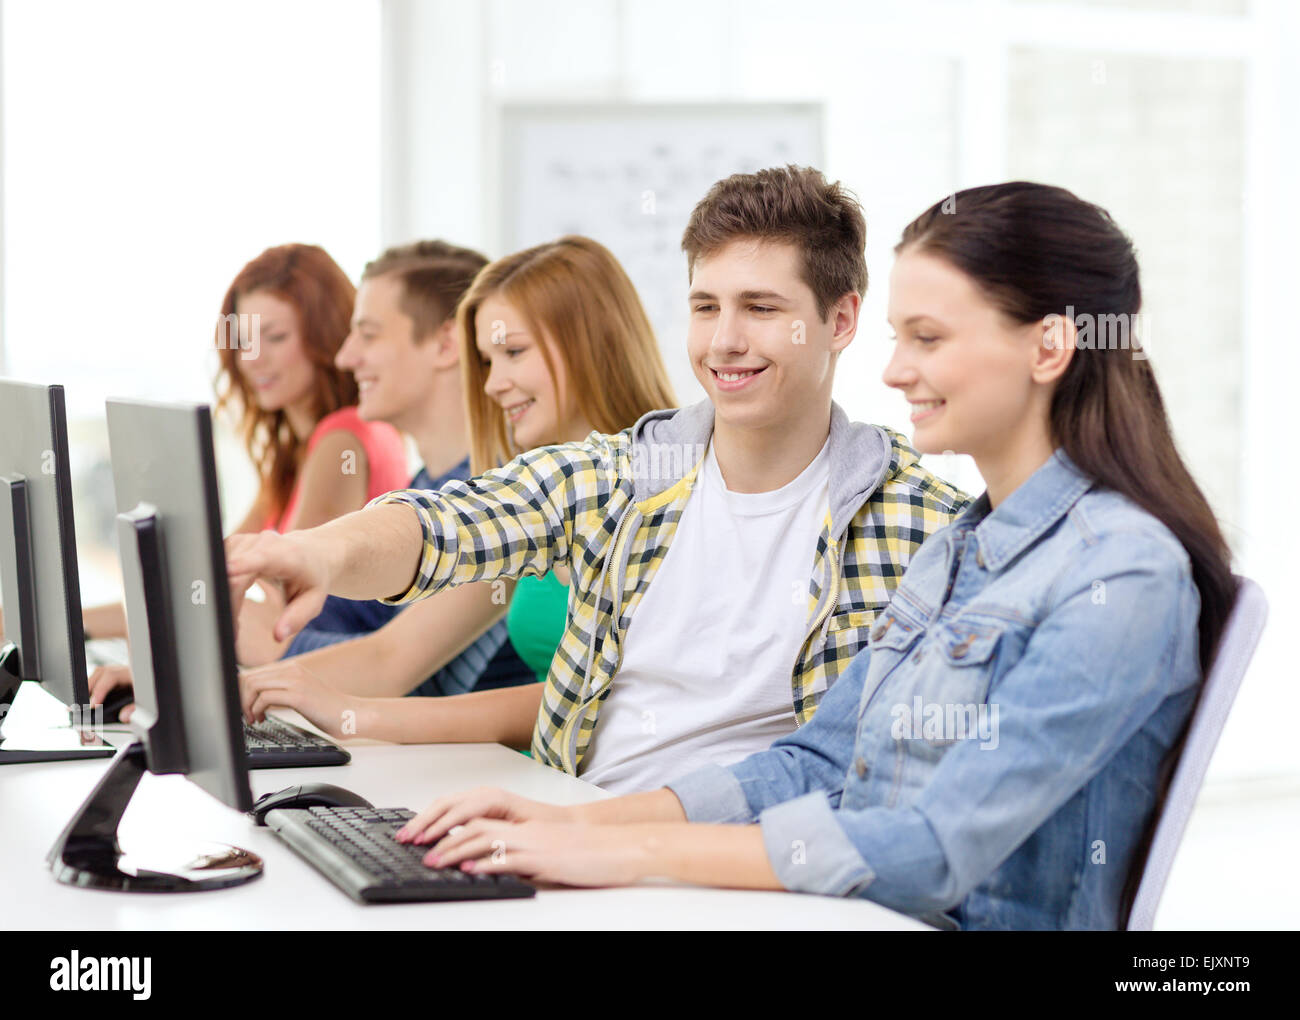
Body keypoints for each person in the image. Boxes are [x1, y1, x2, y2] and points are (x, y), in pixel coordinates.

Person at [389, 182, 1238, 932]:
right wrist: (581, 826)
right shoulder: (963, 548)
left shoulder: (1121, 574)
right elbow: (820, 761)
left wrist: (632, 851)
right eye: (899, 336)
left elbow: (933, 847)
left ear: (1048, 348)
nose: (897, 370)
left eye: (929, 339)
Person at [226, 166, 968, 793]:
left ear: (840, 322)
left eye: (761, 309)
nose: (724, 340)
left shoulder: (921, 523)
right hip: (569, 844)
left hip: (750, 877)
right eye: (706, 307)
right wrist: (318, 553)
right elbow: (448, 523)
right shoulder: (624, 477)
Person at [237, 236, 677, 722]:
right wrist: (316, 553)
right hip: (535, 774)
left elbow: (404, 667)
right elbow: (430, 535)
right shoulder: (534, 493)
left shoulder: (668, 489)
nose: (490, 383)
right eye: (487, 360)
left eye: (512, 352)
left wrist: (355, 713)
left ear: (585, 344)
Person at [86, 243, 408, 711]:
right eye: (246, 339)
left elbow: (259, 615)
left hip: (331, 691)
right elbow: (206, 581)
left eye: (275, 337)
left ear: (325, 338)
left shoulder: (342, 441)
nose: (253, 358)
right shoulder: (300, 451)